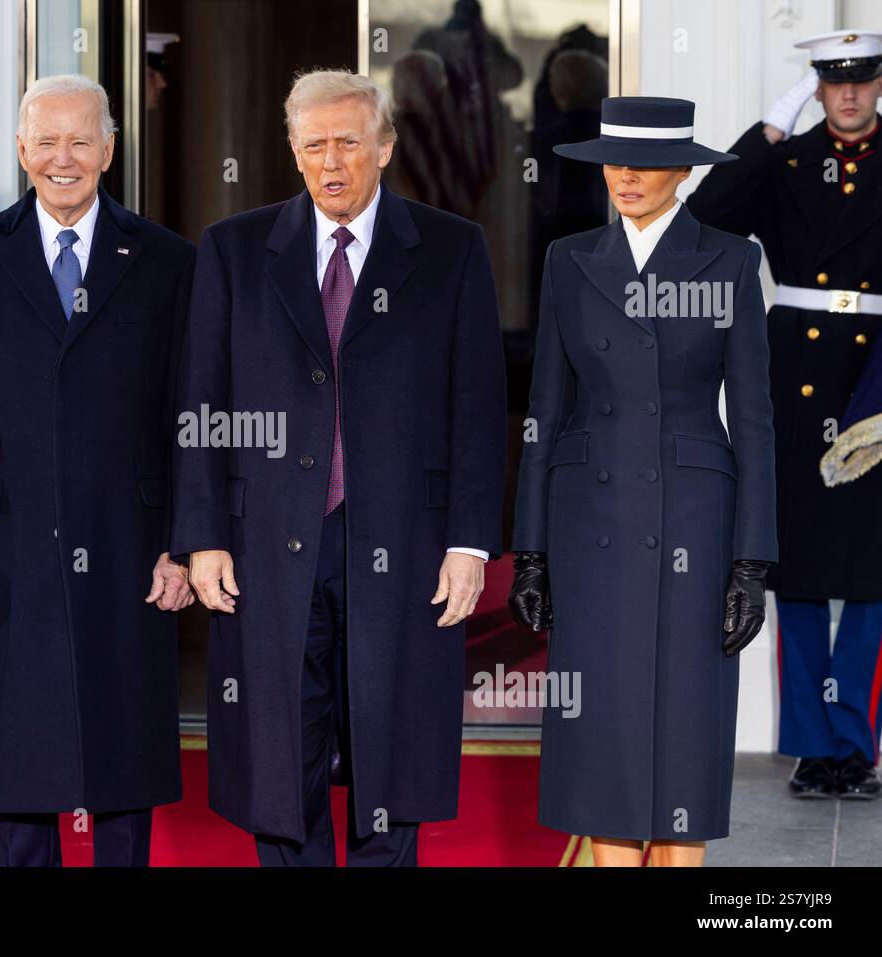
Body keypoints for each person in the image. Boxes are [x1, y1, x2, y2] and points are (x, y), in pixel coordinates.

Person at [171, 69, 506, 867]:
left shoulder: (452, 248)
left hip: (407, 545)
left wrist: (469, 542)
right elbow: (200, 404)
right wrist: (203, 536)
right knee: (282, 752)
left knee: (394, 743)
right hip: (268, 545)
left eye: (349, 142)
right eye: (314, 144)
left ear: (384, 148)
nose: (332, 161)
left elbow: (479, 410)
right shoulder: (234, 249)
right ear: (292, 151)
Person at [0, 75, 195, 867]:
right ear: (20, 150)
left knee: (123, 750)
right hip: (5, 544)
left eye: (80, 141)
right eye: (45, 141)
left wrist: (185, 539)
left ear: (110, 149)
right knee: (21, 758)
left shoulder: (170, 261)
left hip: (131, 540)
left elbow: (192, 417)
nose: (62, 159)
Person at [509, 96, 777, 867]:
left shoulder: (731, 259)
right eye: (613, 161)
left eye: (645, 162)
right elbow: (545, 414)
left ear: (684, 173)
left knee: (684, 732)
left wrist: (751, 561)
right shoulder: (569, 257)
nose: (624, 175)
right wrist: (529, 552)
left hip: (695, 523)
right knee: (604, 740)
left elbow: (754, 418)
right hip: (587, 525)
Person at [688, 29, 882, 799]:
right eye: (832, 82)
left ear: (876, 85)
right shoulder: (790, 160)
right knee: (797, 571)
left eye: (861, 80)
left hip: (874, 376)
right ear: (816, 89)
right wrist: (768, 133)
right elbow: (708, 213)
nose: (848, 94)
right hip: (796, 375)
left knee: (869, 576)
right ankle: (810, 743)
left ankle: (855, 743)